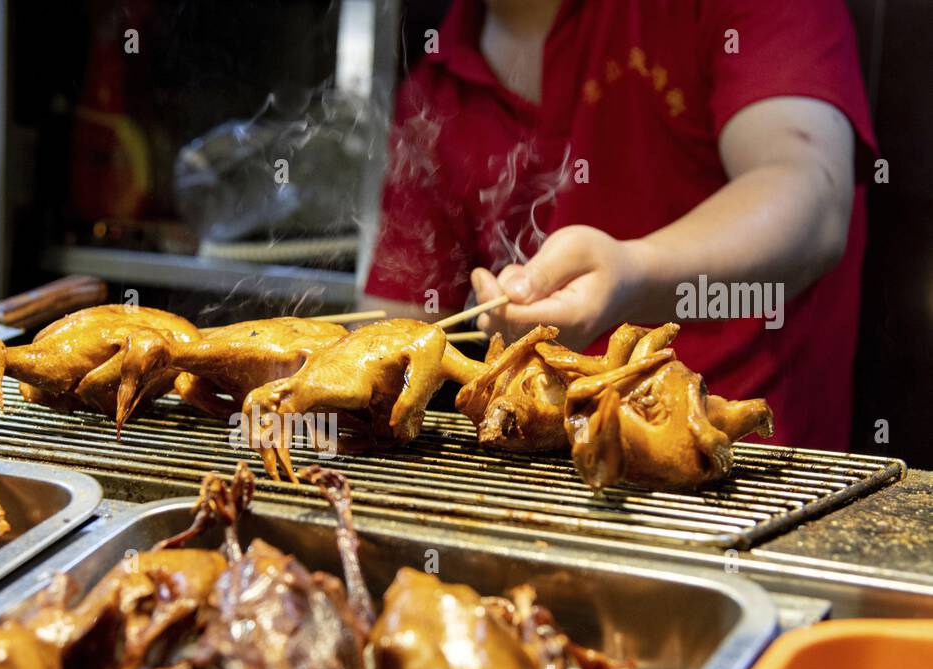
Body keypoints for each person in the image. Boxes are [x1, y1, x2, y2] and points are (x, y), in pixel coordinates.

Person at [363, 0, 875, 451]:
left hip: (745, 479)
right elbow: (390, 337)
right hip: (539, 491)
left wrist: (633, 273)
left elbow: (810, 196)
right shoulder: (435, 86)